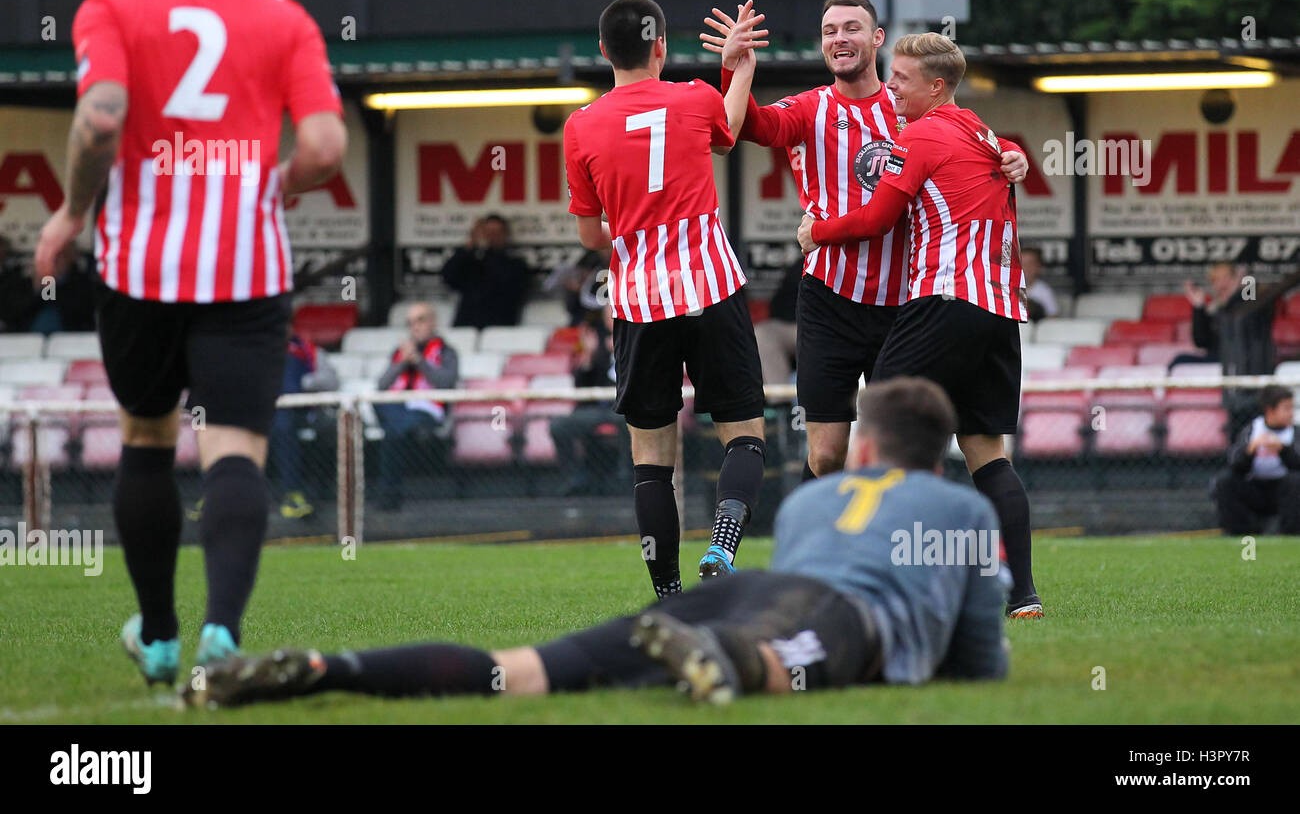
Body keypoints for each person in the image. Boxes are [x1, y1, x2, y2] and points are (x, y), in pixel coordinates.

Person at [186, 377, 1009, 708]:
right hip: (840, 618)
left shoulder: (816, 499)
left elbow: (792, 580)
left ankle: (340, 669)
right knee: (781, 665)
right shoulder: (965, 512)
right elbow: (978, 660)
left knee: (529, 669)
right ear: (935, 458)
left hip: (744, 585)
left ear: (862, 448)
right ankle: (714, 657)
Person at [32, 0, 347, 683]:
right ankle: (220, 637)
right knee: (235, 452)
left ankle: (161, 637)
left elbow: (101, 123)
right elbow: (324, 148)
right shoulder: (285, 18)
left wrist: (71, 211)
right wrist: (276, 183)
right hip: (246, 271)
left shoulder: (112, 8)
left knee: (146, 440)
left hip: (140, 271)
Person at [702, 0, 1028, 482]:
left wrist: (1011, 151)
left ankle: (897, 551)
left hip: (905, 306)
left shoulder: (909, 106)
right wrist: (735, 68)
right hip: (830, 299)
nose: (839, 39)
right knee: (828, 454)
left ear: (877, 39)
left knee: (903, 447)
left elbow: (969, 139)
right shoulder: (810, 109)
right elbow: (746, 127)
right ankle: (823, 553)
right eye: (830, 30)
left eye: (851, 28)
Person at [797, 32, 1042, 618]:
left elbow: (880, 218)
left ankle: (861, 580)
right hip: (999, 309)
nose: (892, 87)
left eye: (901, 79)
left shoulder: (922, 133)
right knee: (987, 451)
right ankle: (1023, 595)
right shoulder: (976, 129)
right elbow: (1003, 152)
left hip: (944, 300)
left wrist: (816, 233)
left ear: (935, 86)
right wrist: (1017, 155)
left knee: (883, 429)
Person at [565, 0, 768, 595]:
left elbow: (587, 233)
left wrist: (632, 227)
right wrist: (741, 65)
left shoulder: (581, 126)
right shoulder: (695, 97)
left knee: (652, 463)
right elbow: (729, 131)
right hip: (710, 285)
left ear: (604, 50)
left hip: (638, 301)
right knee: (744, 433)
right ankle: (723, 546)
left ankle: (669, 597)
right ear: (661, 47)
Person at [373, 302, 458, 508]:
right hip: (397, 407)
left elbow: (445, 383)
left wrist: (418, 360)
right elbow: (382, 385)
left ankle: (388, 495)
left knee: (393, 432)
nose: (415, 327)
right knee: (385, 410)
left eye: (420, 320)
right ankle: (390, 494)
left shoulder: (446, 351)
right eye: (410, 322)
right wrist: (404, 360)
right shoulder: (399, 352)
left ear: (432, 322)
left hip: (424, 410)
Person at [1180, 262, 1277, 435]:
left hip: (1258, 389)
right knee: (1238, 446)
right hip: (1233, 391)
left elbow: (1251, 298)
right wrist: (1199, 307)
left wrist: (1245, 280)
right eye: (1216, 281)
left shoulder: (1251, 302)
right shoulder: (1220, 312)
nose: (1221, 285)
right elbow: (1202, 342)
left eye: (1226, 279)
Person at [549, 303, 624, 496]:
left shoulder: (635, 342)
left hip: (626, 408)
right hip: (598, 409)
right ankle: (575, 478)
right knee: (559, 426)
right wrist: (588, 357)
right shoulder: (598, 345)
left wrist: (622, 352)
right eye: (610, 314)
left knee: (632, 424)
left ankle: (627, 479)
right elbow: (581, 387)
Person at [268, 323, 339, 520]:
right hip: (265, 411)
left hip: (304, 412)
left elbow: (332, 382)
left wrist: (302, 383)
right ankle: (214, 495)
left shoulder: (311, 351)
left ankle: (293, 494)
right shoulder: (258, 353)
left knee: (285, 425)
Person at [1211, 385, 1299, 535]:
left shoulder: (1295, 433)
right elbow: (1236, 465)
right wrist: (1250, 451)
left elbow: (1297, 464)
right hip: (1256, 488)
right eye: (1286, 409)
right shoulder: (1252, 430)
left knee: (1296, 481)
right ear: (1270, 410)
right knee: (1225, 482)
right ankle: (1241, 534)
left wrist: (1283, 450)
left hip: (1284, 491)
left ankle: (1291, 534)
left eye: (1292, 408)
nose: (1291, 414)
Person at [441, 214, 530, 329]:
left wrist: (488, 250)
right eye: (487, 233)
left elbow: (507, 284)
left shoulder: (516, 264)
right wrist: (469, 246)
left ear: (505, 235)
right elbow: (447, 277)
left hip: (500, 329)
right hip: (466, 328)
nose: (491, 237)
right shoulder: (471, 262)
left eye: (496, 233)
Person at [754, 255, 802, 386]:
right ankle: (780, 402)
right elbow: (778, 307)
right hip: (795, 325)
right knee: (763, 334)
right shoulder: (800, 264)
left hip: (827, 328)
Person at [1020, 247, 1058, 322]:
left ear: (1039, 267)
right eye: (1023, 264)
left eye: (1030, 264)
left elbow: (1053, 317)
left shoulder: (1044, 291)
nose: (1027, 268)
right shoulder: (1007, 289)